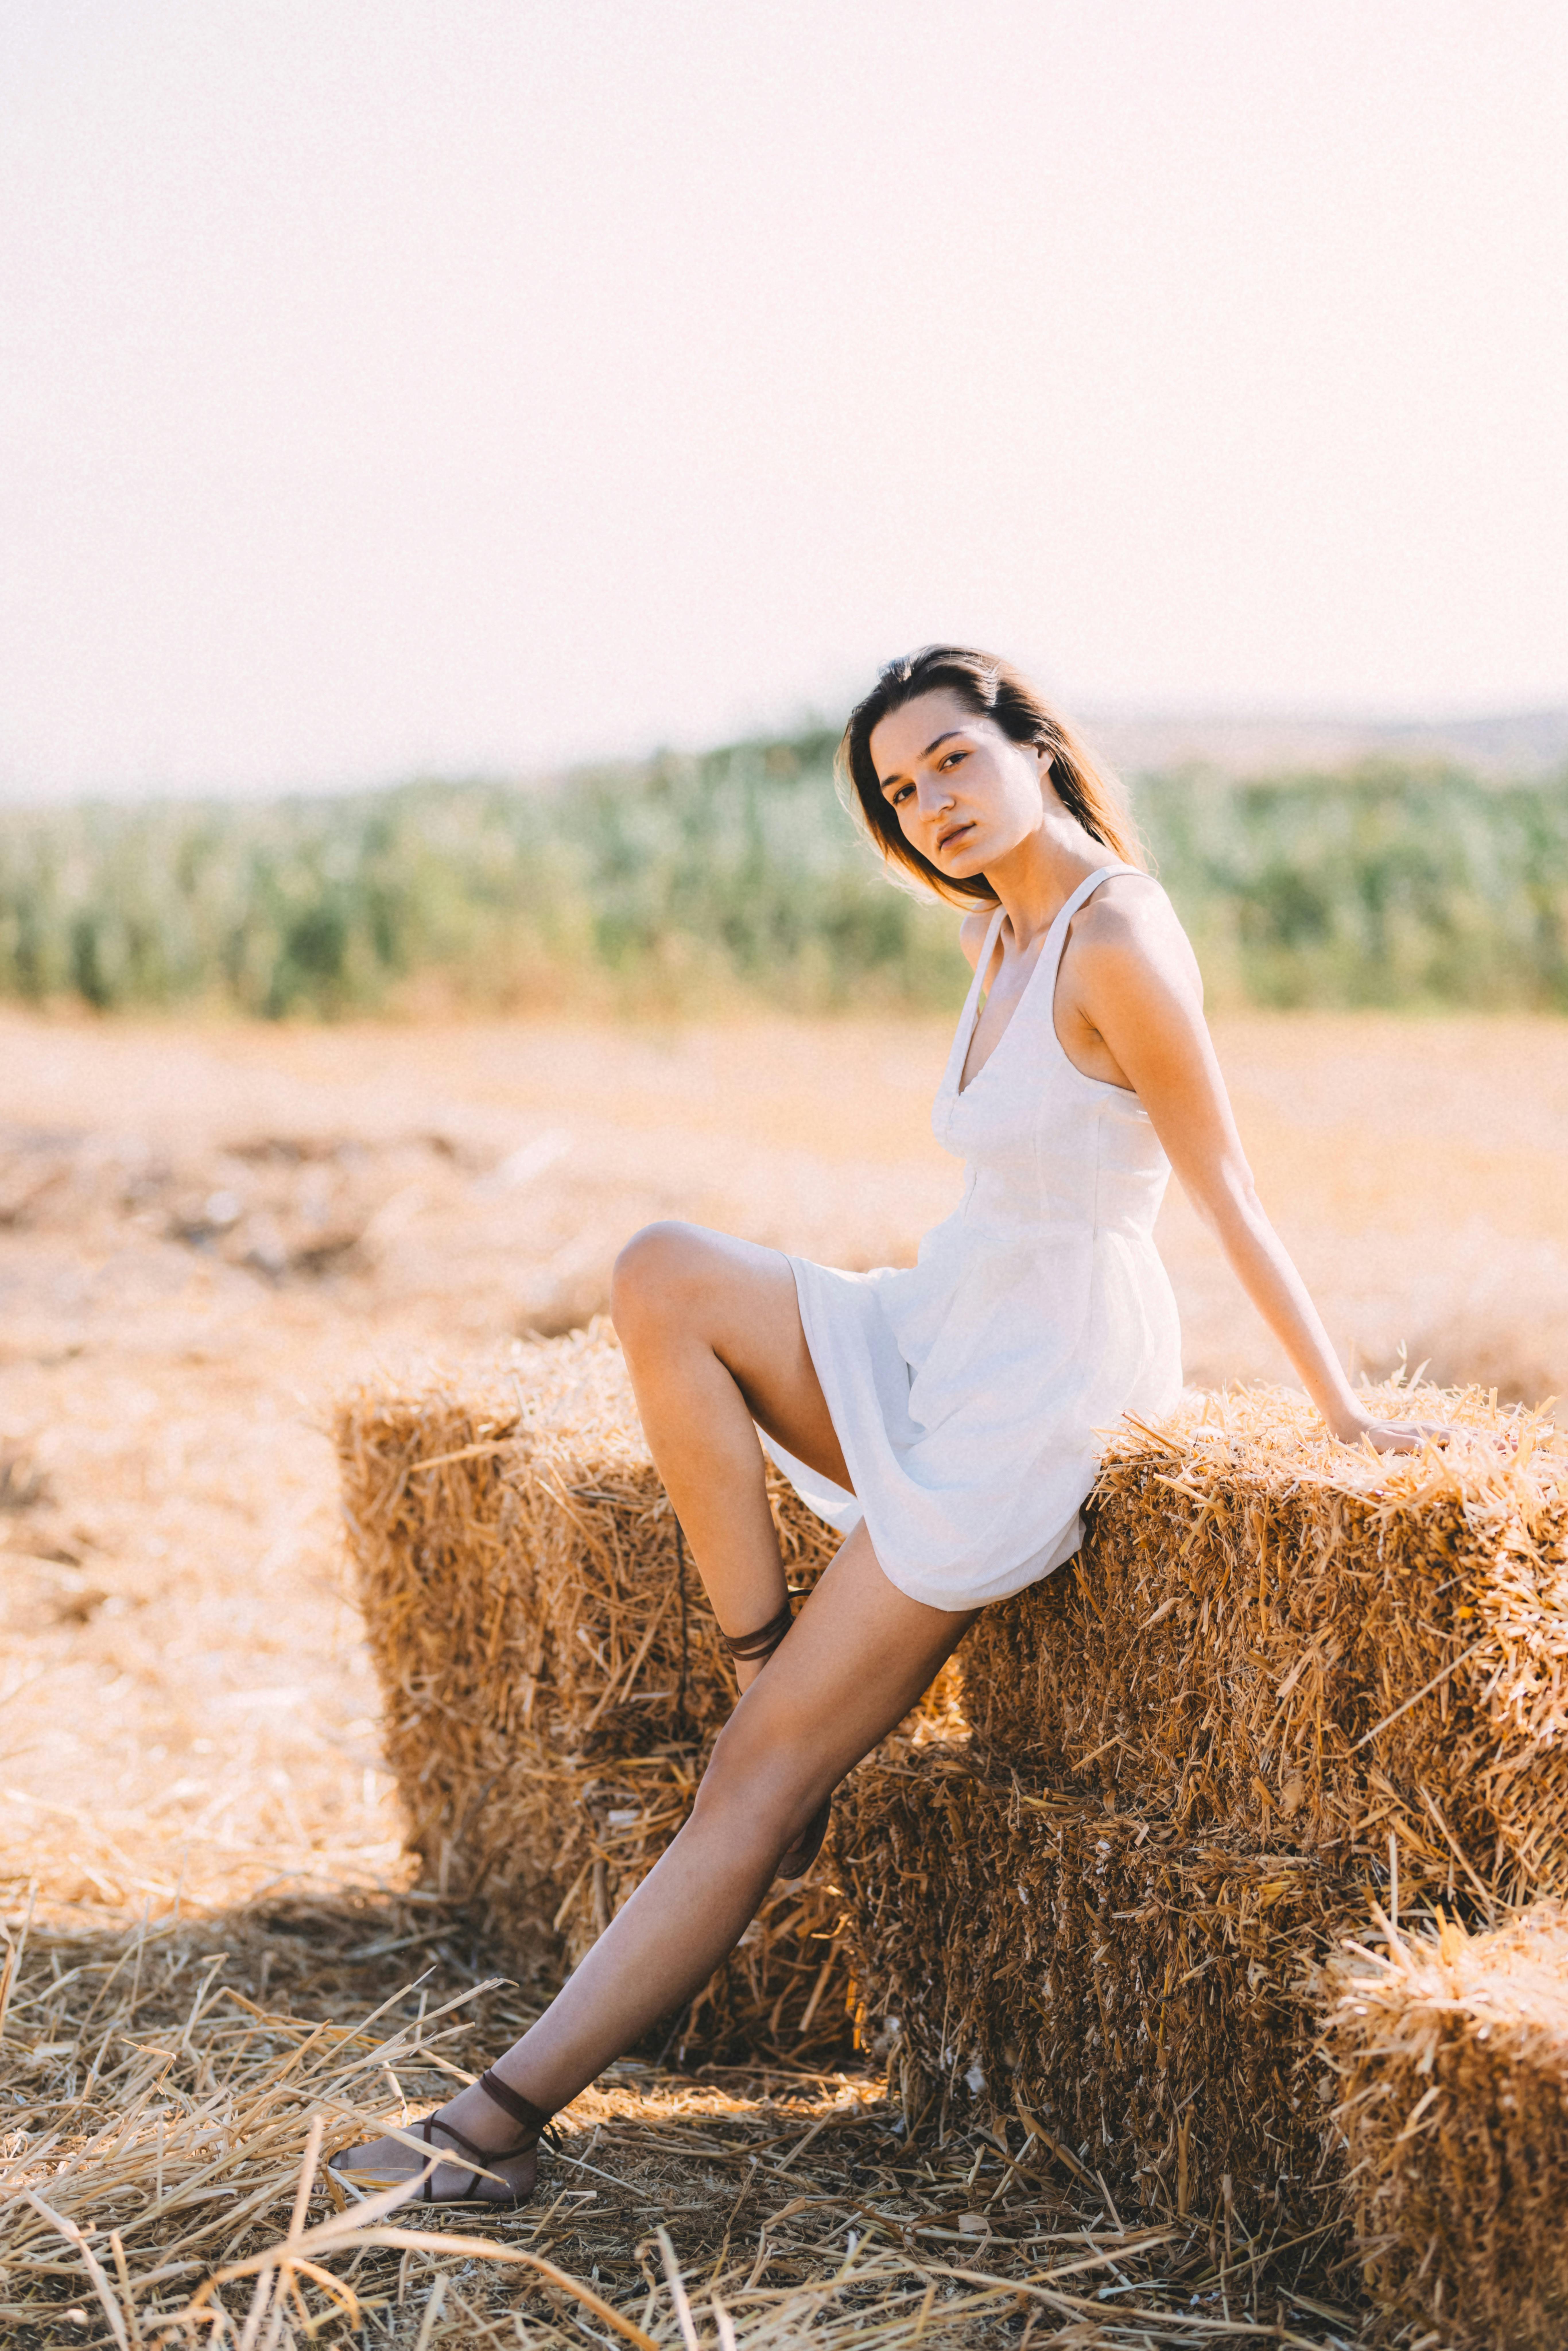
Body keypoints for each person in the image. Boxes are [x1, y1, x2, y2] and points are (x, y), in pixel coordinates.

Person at [332, 645, 1446, 2207]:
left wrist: (1340, 1410)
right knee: (661, 1272)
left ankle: (491, 2127)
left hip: (1044, 1375)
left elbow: (1224, 1186)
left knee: (751, 1786)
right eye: (898, 789)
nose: (928, 804)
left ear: (1035, 749)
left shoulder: (1114, 932)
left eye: (950, 762)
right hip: (947, 1320)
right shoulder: (999, 927)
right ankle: (760, 1658)